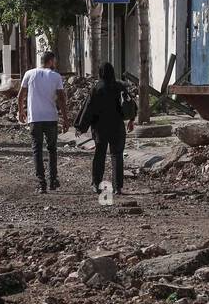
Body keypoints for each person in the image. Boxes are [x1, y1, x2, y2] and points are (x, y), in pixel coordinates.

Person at [75, 62, 134, 195]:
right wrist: (131, 120)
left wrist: (81, 126)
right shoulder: (120, 86)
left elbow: (88, 108)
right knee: (117, 156)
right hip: (117, 127)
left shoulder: (97, 88)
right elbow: (130, 104)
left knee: (99, 155)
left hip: (101, 128)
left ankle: (96, 184)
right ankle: (118, 187)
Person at [17, 50, 68, 193]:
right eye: (55, 61)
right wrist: (65, 118)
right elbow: (62, 99)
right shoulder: (56, 76)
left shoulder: (29, 74)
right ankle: (53, 180)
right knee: (52, 150)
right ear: (51, 61)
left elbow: (20, 96)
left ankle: (41, 183)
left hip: (35, 119)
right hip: (51, 118)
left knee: (37, 150)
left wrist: (21, 111)